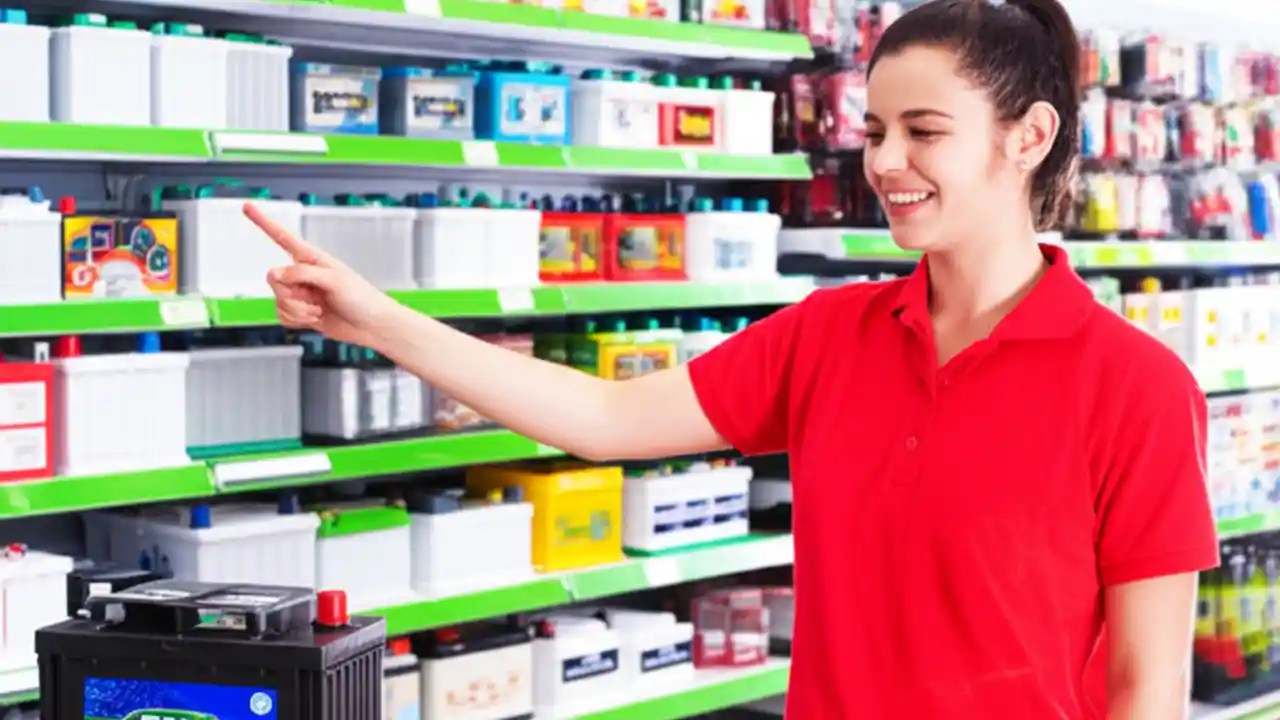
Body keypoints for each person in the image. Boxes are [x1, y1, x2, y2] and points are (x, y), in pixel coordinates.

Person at [247, 0, 1219, 716]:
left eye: (923, 133)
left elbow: (1145, 687)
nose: (882, 162)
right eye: (874, 131)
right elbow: (602, 418)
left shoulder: (1130, 386)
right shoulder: (827, 337)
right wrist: (378, 321)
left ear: (1028, 138)